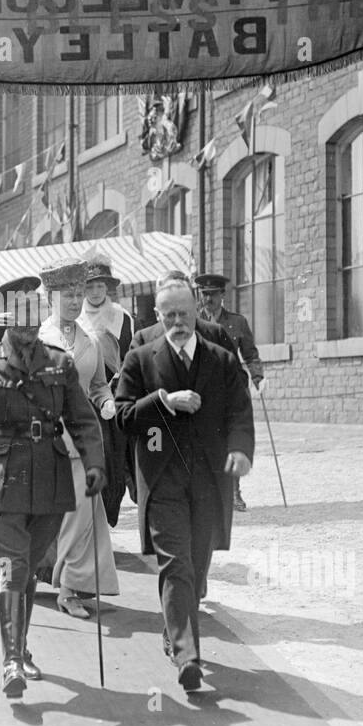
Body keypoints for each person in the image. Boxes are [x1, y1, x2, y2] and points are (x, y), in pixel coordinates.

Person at [0, 276, 105, 698]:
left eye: (36, 318)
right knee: (15, 567)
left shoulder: (58, 361)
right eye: (23, 319)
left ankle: (20, 647)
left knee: (29, 569)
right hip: (0, 475)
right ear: (6, 318)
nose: (31, 327)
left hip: (48, 480)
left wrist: (94, 463)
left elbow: (83, 419)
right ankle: (11, 661)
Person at [115, 284, 255, 693]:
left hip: (209, 482)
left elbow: (239, 414)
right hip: (163, 482)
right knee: (175, 564)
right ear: (157, 316)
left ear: (197, 313)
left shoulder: (222, 360)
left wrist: (241, 451)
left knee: (195, 564)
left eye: (184, 315)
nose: (177, 324)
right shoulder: (140, 359)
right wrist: (163, 400)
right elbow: (123, 416)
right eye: (168, 316)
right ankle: (187, 654)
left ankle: (178, 635)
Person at [36, 260, 119, 618]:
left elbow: (98, 383)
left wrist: (106, 401)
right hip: (46, 440)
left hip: (83, 441)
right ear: (51, 298)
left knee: (82, 514)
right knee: (45, 514)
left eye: (78, 294)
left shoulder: (91, 342)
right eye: (67, 295)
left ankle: (72, 588)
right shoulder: (38, 340)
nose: (74, 301)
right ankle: (37, 571)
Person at [194, 273, 262, 510]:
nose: (209, 300)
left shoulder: (238, 322)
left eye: (213, 295)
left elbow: (251, 354)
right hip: (203, 390)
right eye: (205, 295)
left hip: (232, 389)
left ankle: (234, 493)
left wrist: (258, 378)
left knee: (233, 438)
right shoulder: (192, 321)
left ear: (223, 295)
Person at [79, 256, 134, 525]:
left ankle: (109, 513)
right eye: (90, 286)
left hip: (114, 392)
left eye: (101, 286)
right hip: (82, 393)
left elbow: (130, 355)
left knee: (114, 456)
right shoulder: (75, 316)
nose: (96, 291)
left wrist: (119, 383)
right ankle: (90, 521)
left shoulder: (122, 317)